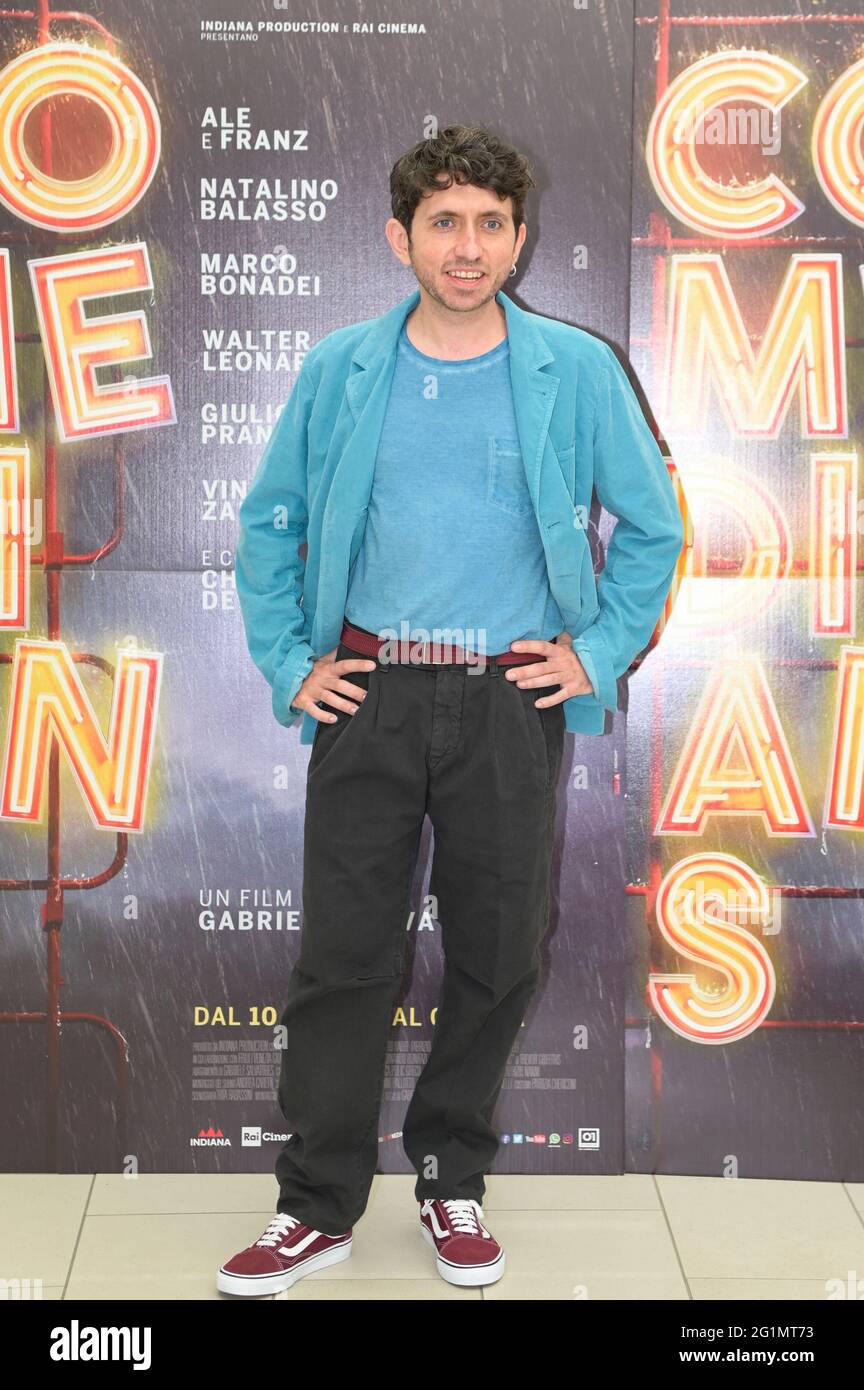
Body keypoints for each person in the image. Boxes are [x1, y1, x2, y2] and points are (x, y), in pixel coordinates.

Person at [218, 124, 684, 1297]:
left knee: (494, 954)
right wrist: (288, 662)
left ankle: (451, 1180)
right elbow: (271, 524)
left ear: (518, 240)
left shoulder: (574, 371)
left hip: (505, 702)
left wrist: (600, 651)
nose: (467, 246)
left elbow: (652, 526)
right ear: (400, 235)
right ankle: (314, 1206)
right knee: (343, 959)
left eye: (489, 223)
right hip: (367, 696)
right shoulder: (340, 368)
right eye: (443, 222)